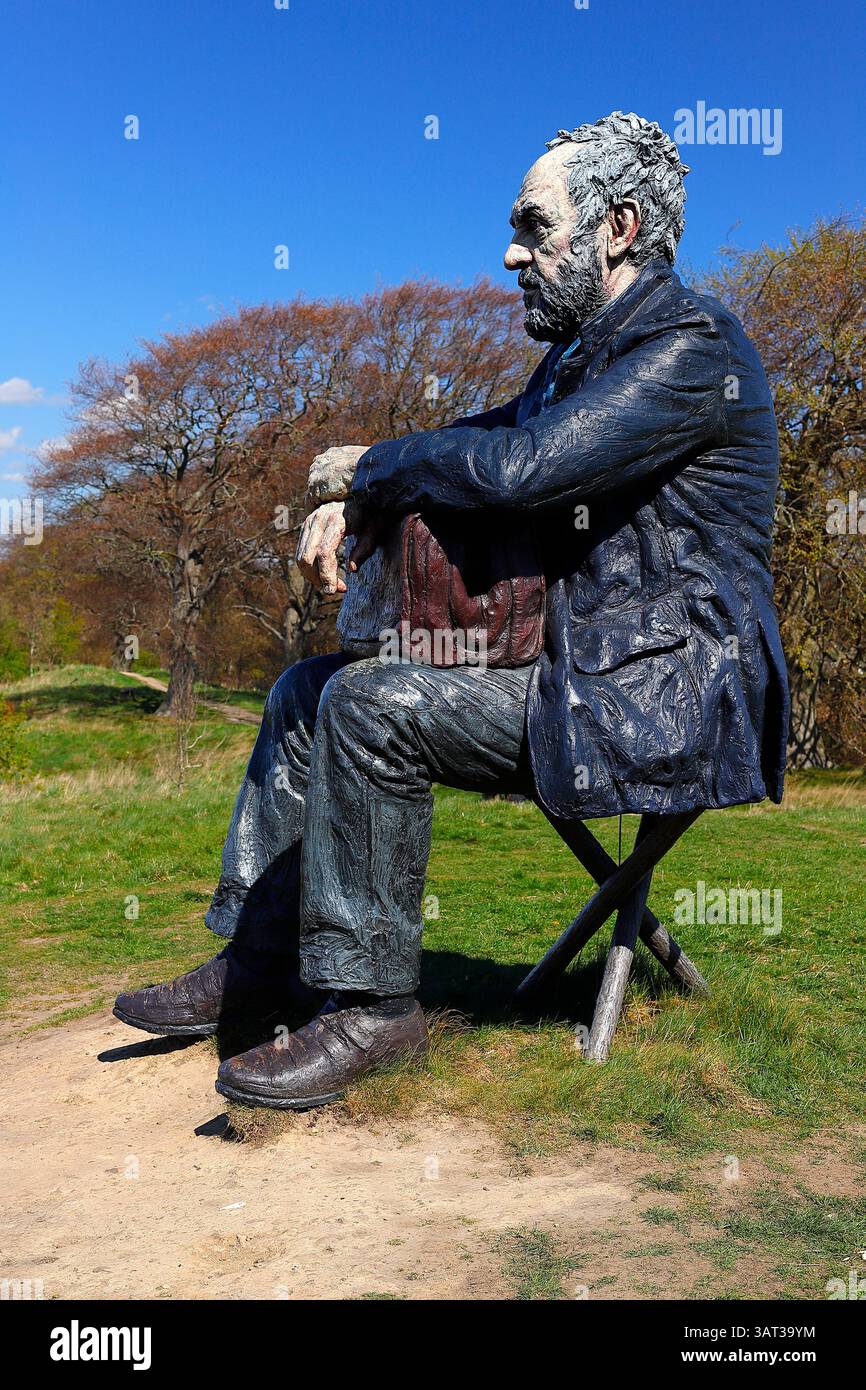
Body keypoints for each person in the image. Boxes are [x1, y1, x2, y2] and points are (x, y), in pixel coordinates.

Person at [113, 111, 789, 1111]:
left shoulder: (687, 349)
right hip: (582, 676)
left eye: (532, 225)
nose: (509, 252)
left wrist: (371, 467)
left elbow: (520, 472)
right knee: (309, 688)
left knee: (373, 704)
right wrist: (360, 493)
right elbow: (480, 441)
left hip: (667, 695)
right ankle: (259, 965)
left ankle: (375, 1010)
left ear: (617, 228)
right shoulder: (575, 362)